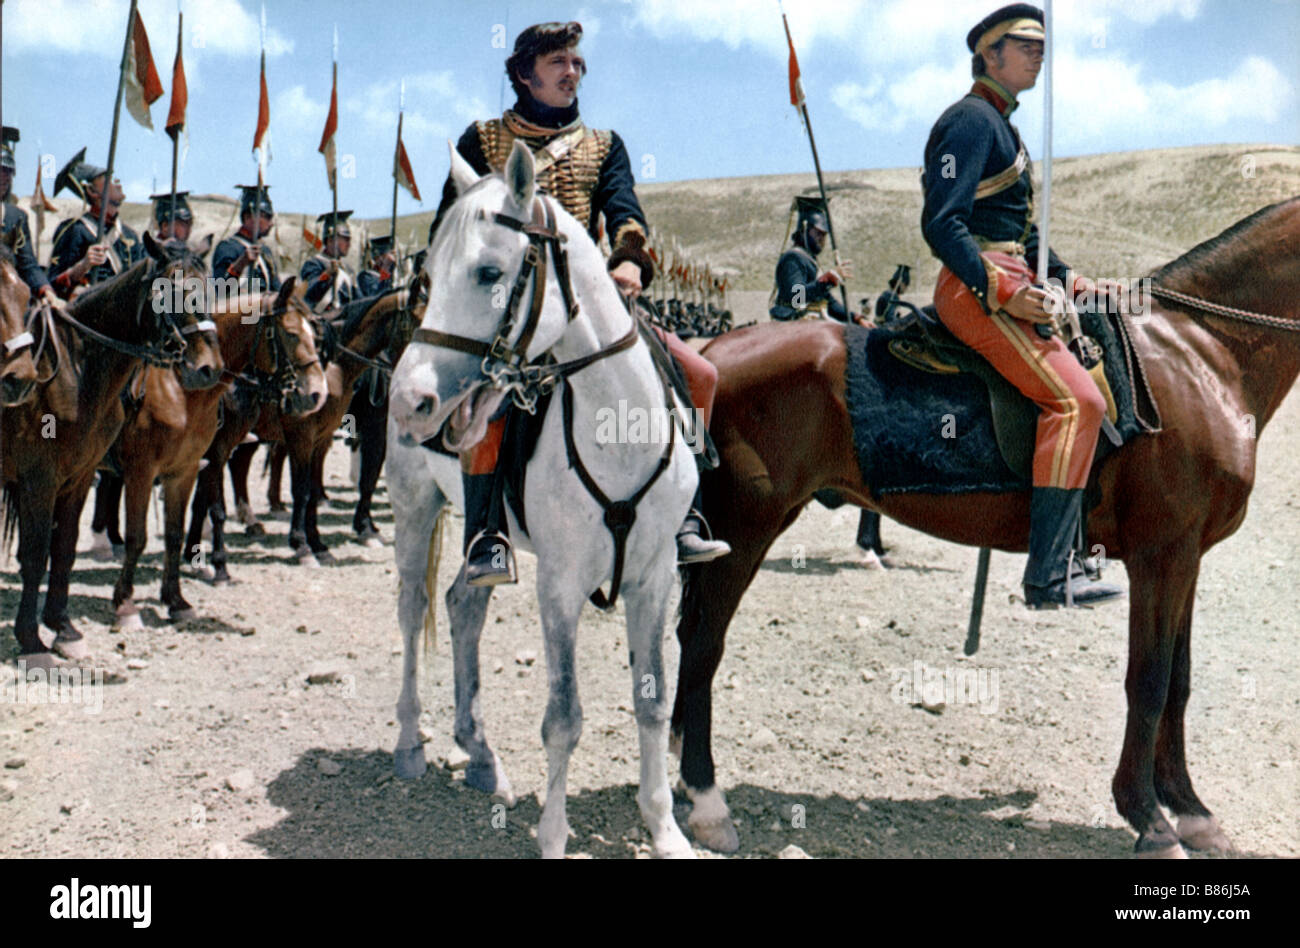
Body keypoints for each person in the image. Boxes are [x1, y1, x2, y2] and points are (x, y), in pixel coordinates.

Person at [429, 20, 728, 586]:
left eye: (577, 63)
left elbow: (624, 209)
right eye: (558, 63)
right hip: (511, 313)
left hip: (591, 304)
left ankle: (684, 514)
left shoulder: (603, 145)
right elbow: (453, 226)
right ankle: (486, 534)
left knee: (700, 376)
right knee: (488, 406)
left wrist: (630, 258)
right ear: (524, 73)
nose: (573, 72)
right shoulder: (482, 141)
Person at [921, 3, 1122, 609]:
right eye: (1025, 43)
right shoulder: (970, 120)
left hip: (1012, 278)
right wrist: (1007, 291)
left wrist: (1072, 280)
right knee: (1075, 401)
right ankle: (1048, 575)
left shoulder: (1004, 127)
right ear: (989, 53)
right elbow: (940, 223)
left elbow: (1024, 234)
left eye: (1042, 44)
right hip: (973, 287)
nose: (1040, 53)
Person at [47, 149, 144, 298]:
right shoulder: (74, 230)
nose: (118, 183)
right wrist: (81, 268)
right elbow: (53, 285)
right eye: (109, 179)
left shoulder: (129, 235)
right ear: (92, 192)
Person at [770, 195, 862, 324]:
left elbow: (828, 302)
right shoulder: (793, 258)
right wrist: (826, 280)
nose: (821, 239)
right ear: (804, 231)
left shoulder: (810, 260)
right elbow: (797, 298)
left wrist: (855, 318)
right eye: (818, 233)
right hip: (791, 324)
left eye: (824, 235)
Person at [0, 127, 58, 304]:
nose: (5, 177)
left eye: (9, 172)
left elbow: (28, 264)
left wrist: (45, 289)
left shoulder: (15, 216)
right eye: (1, 170)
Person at [213, 185, 281, 294]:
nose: (271, 223)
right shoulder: (228, 247)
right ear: (249, 216)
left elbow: (277, 290)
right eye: (267, 217)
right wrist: (241, 263)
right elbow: (221, 290)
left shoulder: (265, 251)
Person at [301, 210, 355, 313]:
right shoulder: (313, 264)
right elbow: (310, 292)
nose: (349, 244)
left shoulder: (348, 270)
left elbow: (358, 299)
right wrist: (327, 274)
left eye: (349, 240)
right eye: (345, 239)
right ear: (330, 240)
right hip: (321, 318)